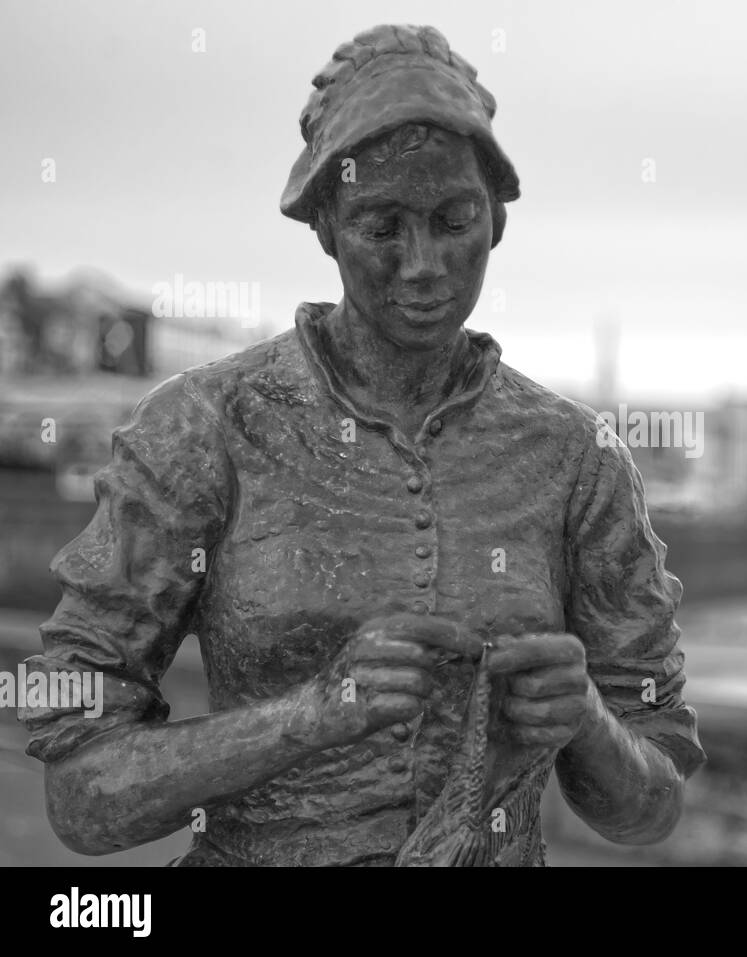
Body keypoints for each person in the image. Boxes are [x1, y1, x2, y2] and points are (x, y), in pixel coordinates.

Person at [20, 23, 704, 866]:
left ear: (495, 220)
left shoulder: (577, 458)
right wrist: (311, 715)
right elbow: (83, 798)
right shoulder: (204, 427)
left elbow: (650, 806)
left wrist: (590, 725)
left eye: (453, 219)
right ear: (325, 228)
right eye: (382, 225)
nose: (423, 265)